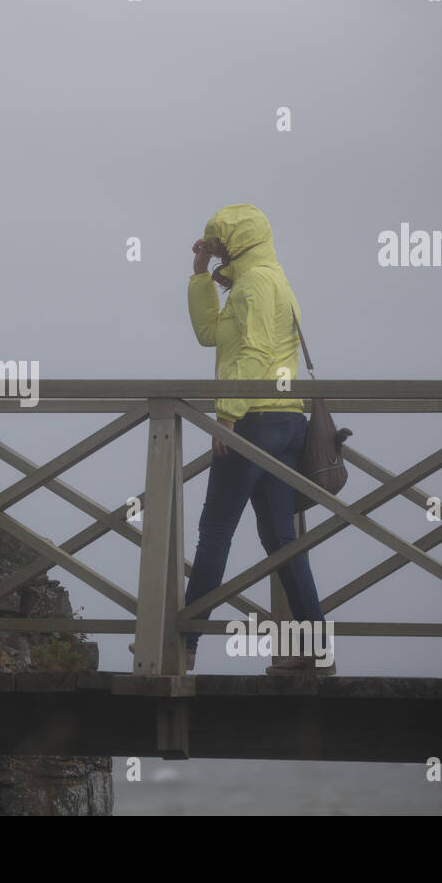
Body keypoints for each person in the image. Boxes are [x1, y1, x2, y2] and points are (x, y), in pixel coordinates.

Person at [184, 204, 330, 674]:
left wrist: (226, 416)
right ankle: (315, 649)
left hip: (254, 420)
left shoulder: (253, 285)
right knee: (281, 539)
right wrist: (200, 274)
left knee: (216, 530)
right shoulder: (268, 280)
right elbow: (209, 334)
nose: (214, 248)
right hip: (286, 422)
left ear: (237, 243)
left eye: (218, 242)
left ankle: (180, 645)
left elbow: (256, 350)